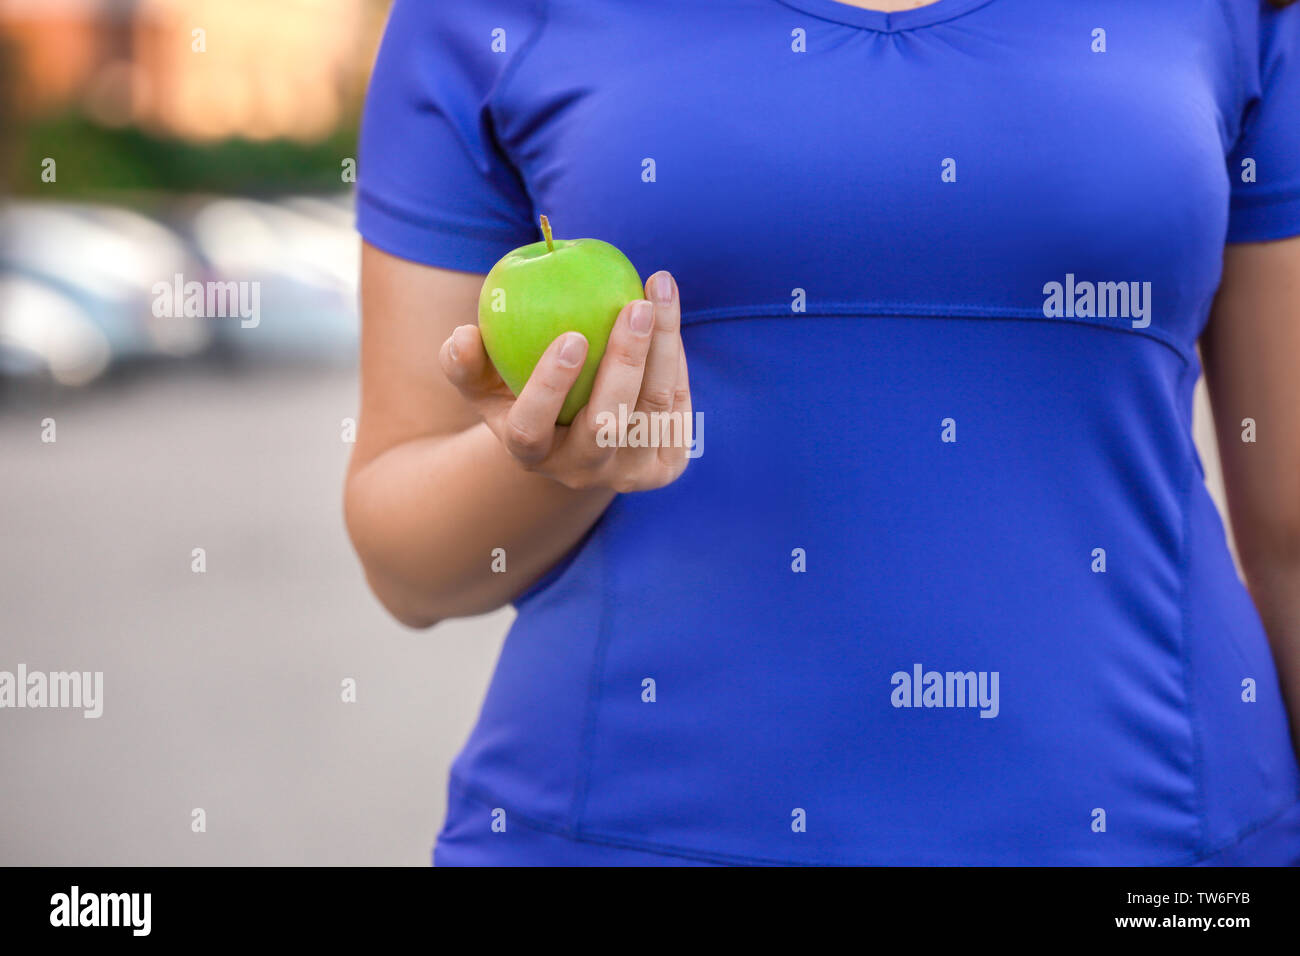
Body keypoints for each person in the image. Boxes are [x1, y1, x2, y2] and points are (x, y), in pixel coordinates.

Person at [345, 0, 1300, 865]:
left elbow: (1291, 539)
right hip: (623, 832)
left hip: (1158, 843)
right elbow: (409, 567)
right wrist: (564, 461)